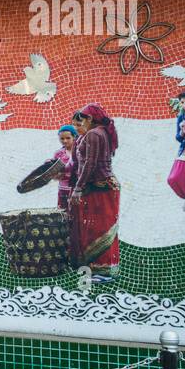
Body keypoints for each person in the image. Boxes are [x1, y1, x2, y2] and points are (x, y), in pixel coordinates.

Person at [68, 103, 121, 282]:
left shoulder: (94, 134)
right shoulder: (99, 132)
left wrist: (78, 188)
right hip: (100, 185)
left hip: (101, 186)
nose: (79, 124)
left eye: (81, 120)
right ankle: (98, 268)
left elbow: (90, 164)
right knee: (97, 227)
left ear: (89, 119)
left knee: (101, 228)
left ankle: (104, 271)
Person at [54, 124, 77, 211]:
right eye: (62, 139)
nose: (65, 141)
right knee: (63, 214)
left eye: (68, 138)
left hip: (76, 190)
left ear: (74, 137)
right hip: (63, 190)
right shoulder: (58, 154)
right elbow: (54, 174)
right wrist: (56, 175)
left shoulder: (80, 152)